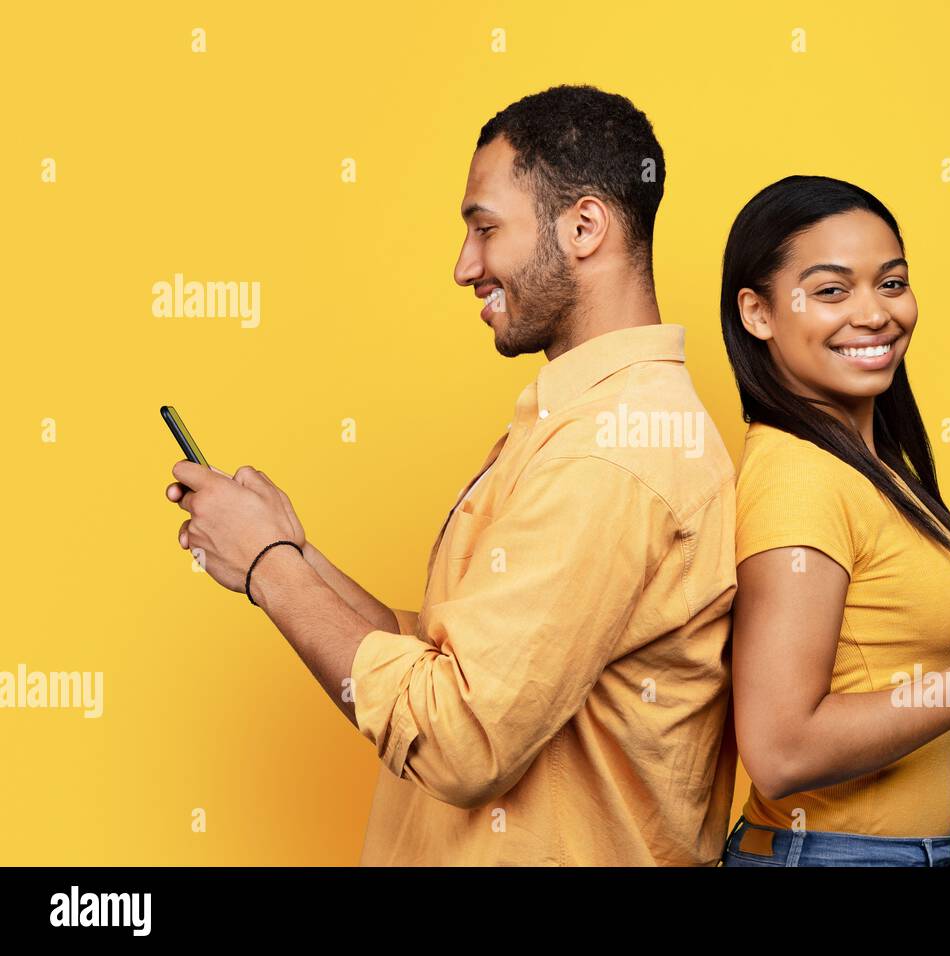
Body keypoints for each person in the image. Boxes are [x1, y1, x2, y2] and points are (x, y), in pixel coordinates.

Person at [164, 85, 738, 865]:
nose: (464, 266)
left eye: (485, 227)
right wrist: (296, 556)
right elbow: (455, 663)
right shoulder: (583, 424)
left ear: (584, 226)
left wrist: (268, 571)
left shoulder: (610, 453)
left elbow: (457, 737)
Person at [716, 175, 950, 867]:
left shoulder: (865, 464)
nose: (874, 314)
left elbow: (869, 669)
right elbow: (780, 749)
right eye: (832, 291)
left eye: (891, 284)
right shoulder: (800, 478)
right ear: (757, 312)